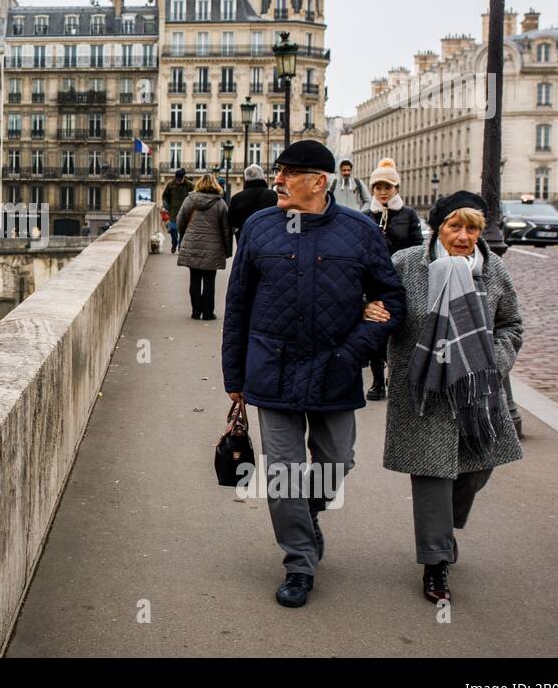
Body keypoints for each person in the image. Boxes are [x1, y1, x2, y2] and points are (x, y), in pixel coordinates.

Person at [222, 139, 406, 609]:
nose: (277, 181)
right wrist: (234, 378)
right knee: (283, 473)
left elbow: (392, 299)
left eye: (287, 173)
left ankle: (306, 515)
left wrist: (353, 352)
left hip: (336, 369)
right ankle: (299, 563)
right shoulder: (260, 228)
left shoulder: (361, 232)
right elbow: (237, 306)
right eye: (278, 173)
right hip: (272, 369)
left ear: (318, 182)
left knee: (337, 463)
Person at [363, 191, 523, 605]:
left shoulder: (494, 270)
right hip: (424, 388)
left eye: (473, 228)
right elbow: (380, 304)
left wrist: (493, 358)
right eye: (456, 226)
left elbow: (511, 325)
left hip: (477, 385)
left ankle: (442, 528)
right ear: (438, 228)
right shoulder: (407, 265)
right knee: (433, 475)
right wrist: (372, 311)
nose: (465, 236)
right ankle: (435, 563)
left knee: (477, 467)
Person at [359, 158, 423, 401]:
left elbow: (417, 245)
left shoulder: (408, 214)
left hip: (402, 279)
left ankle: (394, 375)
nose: (383, 192)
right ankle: (377, 381)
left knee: (402, 330)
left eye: (387, 187)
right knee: (377, 328)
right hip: (374, 282)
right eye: (378, 187)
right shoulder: (366, 215)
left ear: (396, 188)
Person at [176, 174, 232, 320]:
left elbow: (180, 220)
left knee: (194, 279)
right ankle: (207, 313)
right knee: (209, 281)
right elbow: (226, 229)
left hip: (193, 244)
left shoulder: (190, 200)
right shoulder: (220, 204)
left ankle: (195, 311)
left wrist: (183, 237)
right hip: (213, 248)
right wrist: (228, 249)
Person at [228, 163, 277, 242]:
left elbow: (232, 221)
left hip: (245, 238)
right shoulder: (273, 195)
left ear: (246, 178)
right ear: (262, 177)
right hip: (269, 238)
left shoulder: (237, 198)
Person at [161, 168, 194, 253]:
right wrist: (166, 205)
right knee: (173, 229)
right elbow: (164, 196)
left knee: (183, 231)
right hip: (173, 211)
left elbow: (194, 197)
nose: (178, 181)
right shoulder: (170, 185)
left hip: (185, 212)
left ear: (184, 177)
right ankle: (174, 243)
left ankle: (180, 246)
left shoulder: (190, 185)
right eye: (177, 179)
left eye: (180, 180)